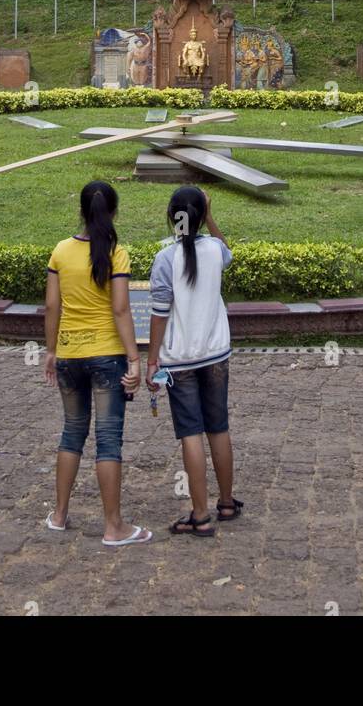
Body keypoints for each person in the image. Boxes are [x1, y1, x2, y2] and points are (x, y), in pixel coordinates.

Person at [44, 180, 151, 546]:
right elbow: (120, 309)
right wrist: (134, 359)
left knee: (72, 431)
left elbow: (52, 307)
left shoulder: (60, 251)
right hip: (107, 356)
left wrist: (50, 350)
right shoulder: (116, 253)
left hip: (69, 354)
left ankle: (59, 515)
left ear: (81, 209)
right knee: (108, 439)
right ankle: (113, 526)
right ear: (114, 210)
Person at [146, 186, 242, 537]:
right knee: (219, 426)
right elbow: (227, 251)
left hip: (179, 360)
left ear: (172, 217)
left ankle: (200, 515)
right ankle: (227, 502)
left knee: (191, 433)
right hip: (216, 353)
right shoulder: (215, 250)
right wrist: (210, 215)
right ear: (200, 216)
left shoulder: (165, 259)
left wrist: (151, 360)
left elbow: (158, 315)